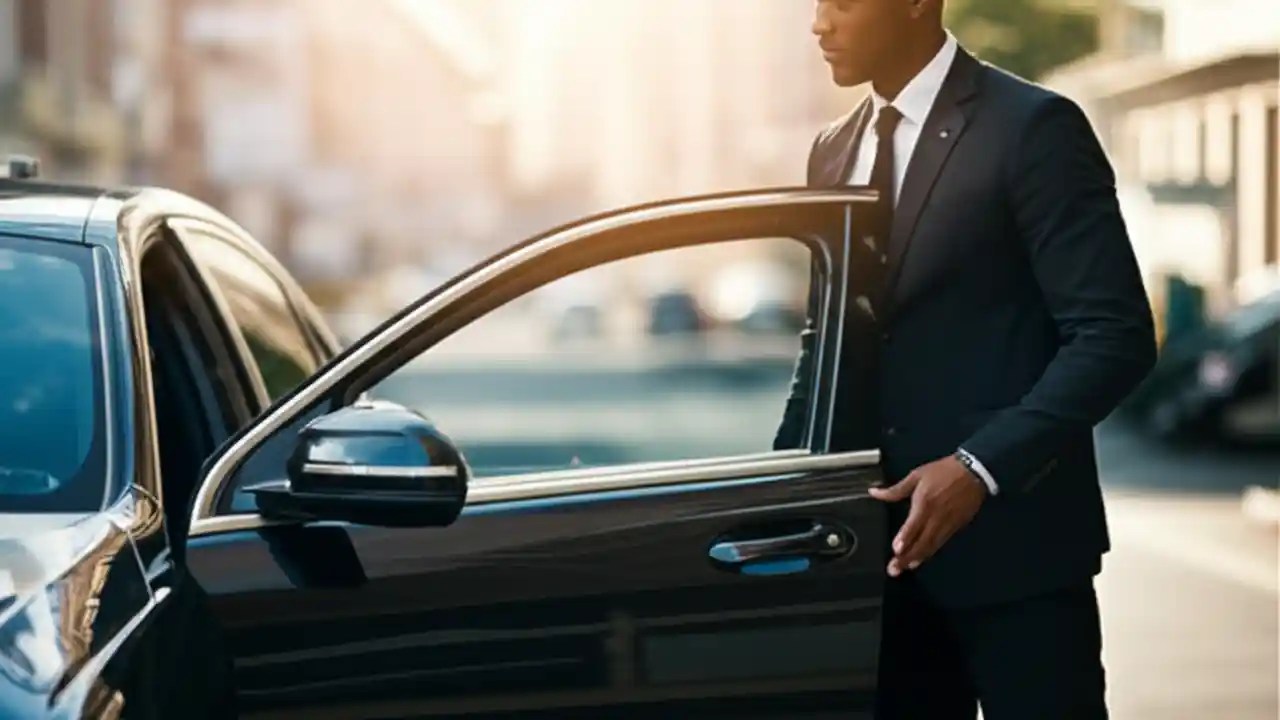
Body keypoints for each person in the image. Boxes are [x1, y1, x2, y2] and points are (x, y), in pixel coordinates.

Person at [778, 1, 1159, 718]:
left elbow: (1114, 335)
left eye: (842, 2)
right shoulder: (832, 148)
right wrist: (781, 488)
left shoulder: (1033, 129)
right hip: (878, 570)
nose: (819, 24)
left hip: (1019, 562)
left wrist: (978, 468)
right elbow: (826, 344)